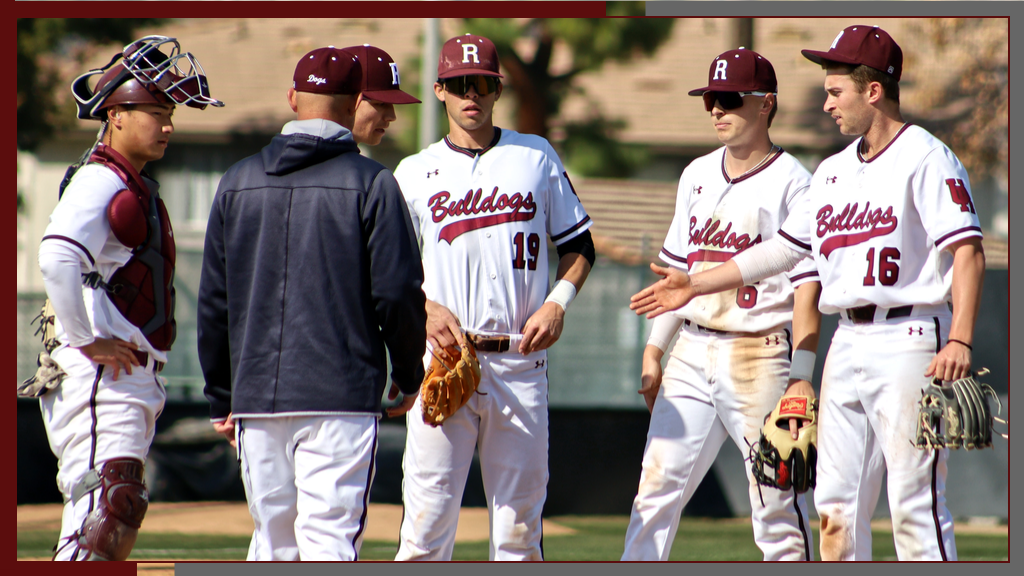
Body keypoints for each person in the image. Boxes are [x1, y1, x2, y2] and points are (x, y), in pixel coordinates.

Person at [630, 25, 985, 561]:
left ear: (873, 91)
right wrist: (695, 284)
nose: (825, 105)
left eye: (835, 90)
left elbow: (967, 251)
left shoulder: (927, 157)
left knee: (913, 502)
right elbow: (781, 251)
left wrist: (959, 338)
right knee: (834, 508)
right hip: (847, 342)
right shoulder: (833, 171)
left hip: (914, 338)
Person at [197, 45, 426, 561]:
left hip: (255, 396)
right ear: (353, 105)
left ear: (292, 98)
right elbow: (396, 292)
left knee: (273, 545)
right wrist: (408, 372)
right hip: (339, 396)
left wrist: (221, 395)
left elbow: (214, 300)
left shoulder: (236, 181)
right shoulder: (372, 182)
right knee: (329, 543)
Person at [393, 33, 594, 561]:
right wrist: (424, 307)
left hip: (519, 363)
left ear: (497, 89)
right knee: (425, 529)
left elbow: (579, 246)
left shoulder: (535, 154)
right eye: (459, 84)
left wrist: (558, 302)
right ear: (438, 89)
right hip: (444, 360)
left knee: (519, 532)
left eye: (482, 83)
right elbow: (387, 272)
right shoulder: (412, 173)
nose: (471, 94)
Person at [620, 48, 820, 562]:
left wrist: (801, 371)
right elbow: (674, 279)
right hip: (691, 349)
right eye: (711, 98)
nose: (716, 109)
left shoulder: (794, 181)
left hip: (759, 352)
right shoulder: (697, 173)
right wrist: (653, 350)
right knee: (654, 491)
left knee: (775, 504)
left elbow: (806, 285)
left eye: (729, 98)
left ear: (766, 104)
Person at [29, 36, 223, 561]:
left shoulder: (129, 181)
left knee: (109, 516)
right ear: (115, 115)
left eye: (169, 114)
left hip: (125, 376)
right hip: (100, 376)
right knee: (105, 510)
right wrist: (85, 340)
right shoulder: (100, 178)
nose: (167, 125)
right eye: (155, 112)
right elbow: (55, 257)